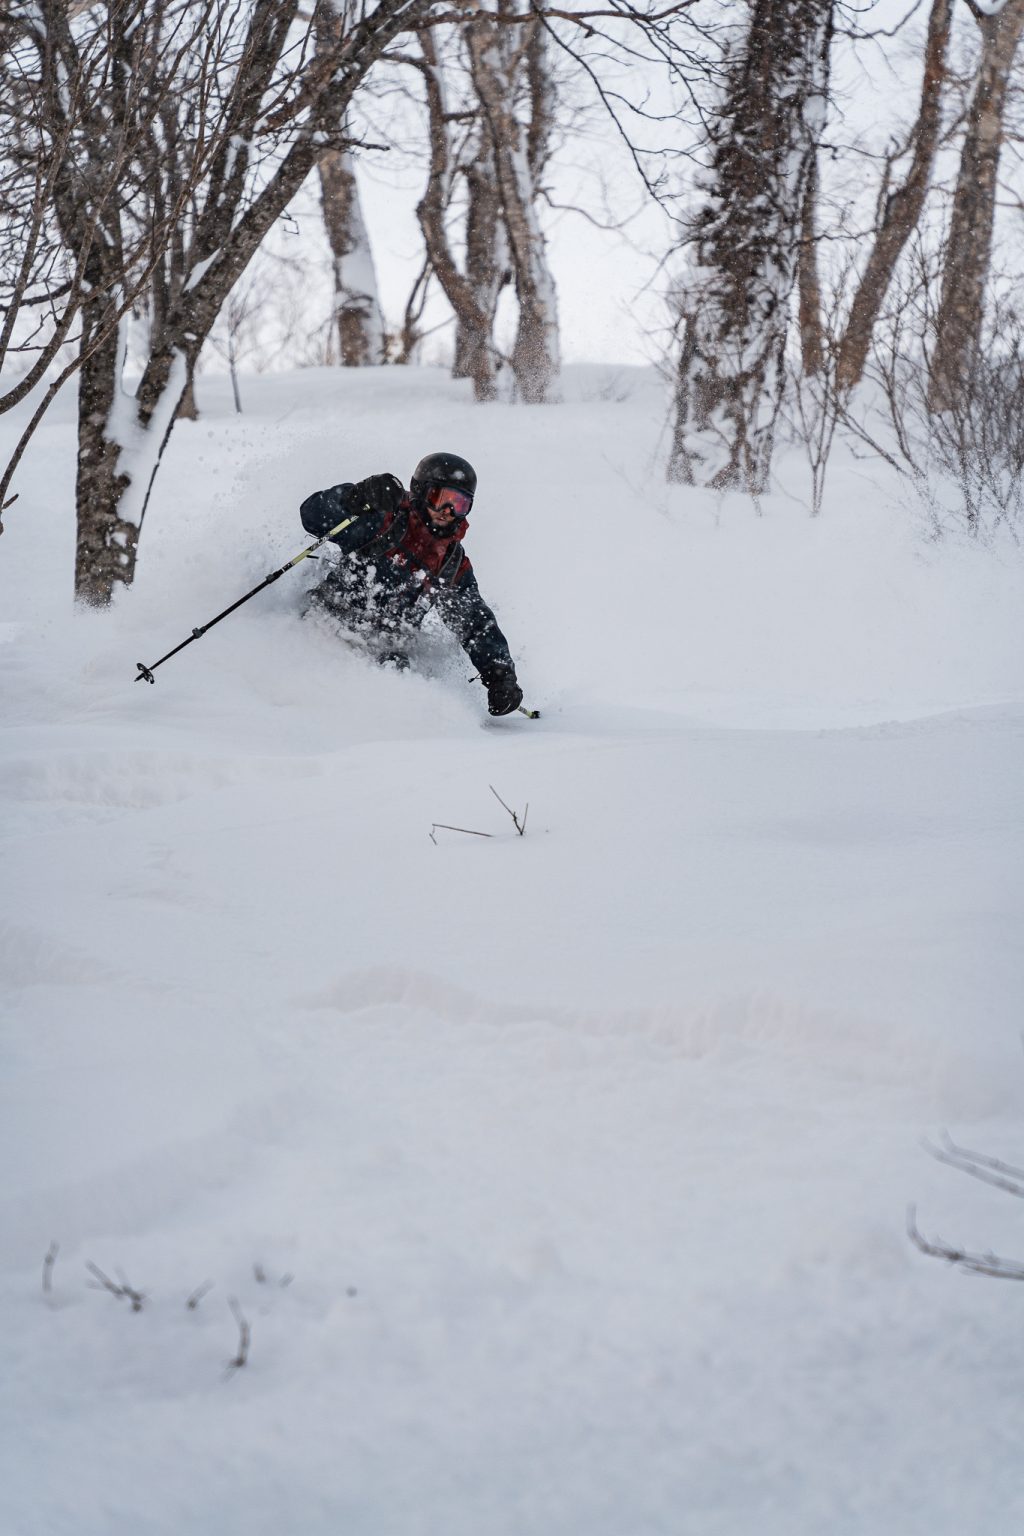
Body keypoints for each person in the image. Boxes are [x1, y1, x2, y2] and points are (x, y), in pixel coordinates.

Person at [299, 451, 524, 717]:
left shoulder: (450, 562)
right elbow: (312, 516)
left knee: (399, 688)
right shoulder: (384, 519)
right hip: (328, 625)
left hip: (384, 654)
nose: (447, 512)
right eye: (440, 499)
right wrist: (356, 498)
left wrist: (500, 674)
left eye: (459, 504)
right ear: (419, 491)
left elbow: (473, 620)